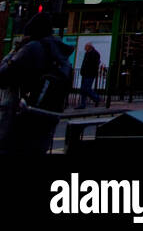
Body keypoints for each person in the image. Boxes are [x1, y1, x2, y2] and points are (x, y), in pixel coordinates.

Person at [0, 14, 74, 154]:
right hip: (46, 118)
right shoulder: (59, 53)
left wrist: (13, 52)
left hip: (20, 118)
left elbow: (3, 76)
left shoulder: (32, 48)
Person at [78, 42, 101, 108]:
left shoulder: (95, 53)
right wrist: (82, 71)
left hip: (90, 74)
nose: (84, 48)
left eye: (86, 46)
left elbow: (95, 65)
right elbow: (84, 63)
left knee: (86, 88)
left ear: (89, 47)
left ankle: (97, 98)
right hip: (85, 73)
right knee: (83, 89)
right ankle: (83, 104)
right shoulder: (87, 53)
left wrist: (89, 71)